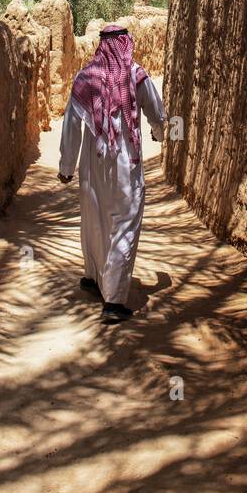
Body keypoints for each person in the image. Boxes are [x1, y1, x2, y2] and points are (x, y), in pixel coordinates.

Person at [57, 24, 166, 323]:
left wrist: (67, 166)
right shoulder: (135, 74)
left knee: (94, 219)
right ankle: (114, 301)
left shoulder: (85, 77)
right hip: (125, 166)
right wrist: (159, 133)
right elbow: (156, 111)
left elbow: (70, 124)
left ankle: (93, 277)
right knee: (125, 224)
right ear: (125, 43)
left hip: (93, 166)